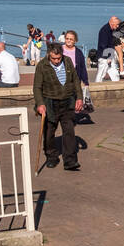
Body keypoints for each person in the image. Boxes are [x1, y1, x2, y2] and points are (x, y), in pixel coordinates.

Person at [34, 41, 84, 171]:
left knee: (69, 131)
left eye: (58, 58)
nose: (56, 61)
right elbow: (37, 87)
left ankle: (70, 161)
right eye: (53, 58)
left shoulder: (67, 61)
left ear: (62, 55)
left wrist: (79, 98)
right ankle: (51, 157)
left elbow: (76, 80)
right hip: (50, 103)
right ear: (49, 56)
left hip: (67, 102)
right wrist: (40, 104)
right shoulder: (42, 66)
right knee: (49, 132)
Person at [62, 30, 93, 122]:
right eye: (67, 38)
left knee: (73, 98)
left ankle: (71, 116)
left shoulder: (78, 52)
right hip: (61, 78)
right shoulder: (60, 49)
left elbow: (82, 68)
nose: (69, 41)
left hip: (75, 78)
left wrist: (86, 81)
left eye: (71, 39)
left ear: (75, 41)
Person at [96, 16, 122, 83]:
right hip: (104, 56)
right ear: (112, 23)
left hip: (110, 54)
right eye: (117, 25)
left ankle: (117, 86)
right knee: (101, 74)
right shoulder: (104, 30)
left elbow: (112, 42)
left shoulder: (112, 30)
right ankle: (97, 88)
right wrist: (108, 57)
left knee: (114, 73)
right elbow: (103, 45)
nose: (117, 26)